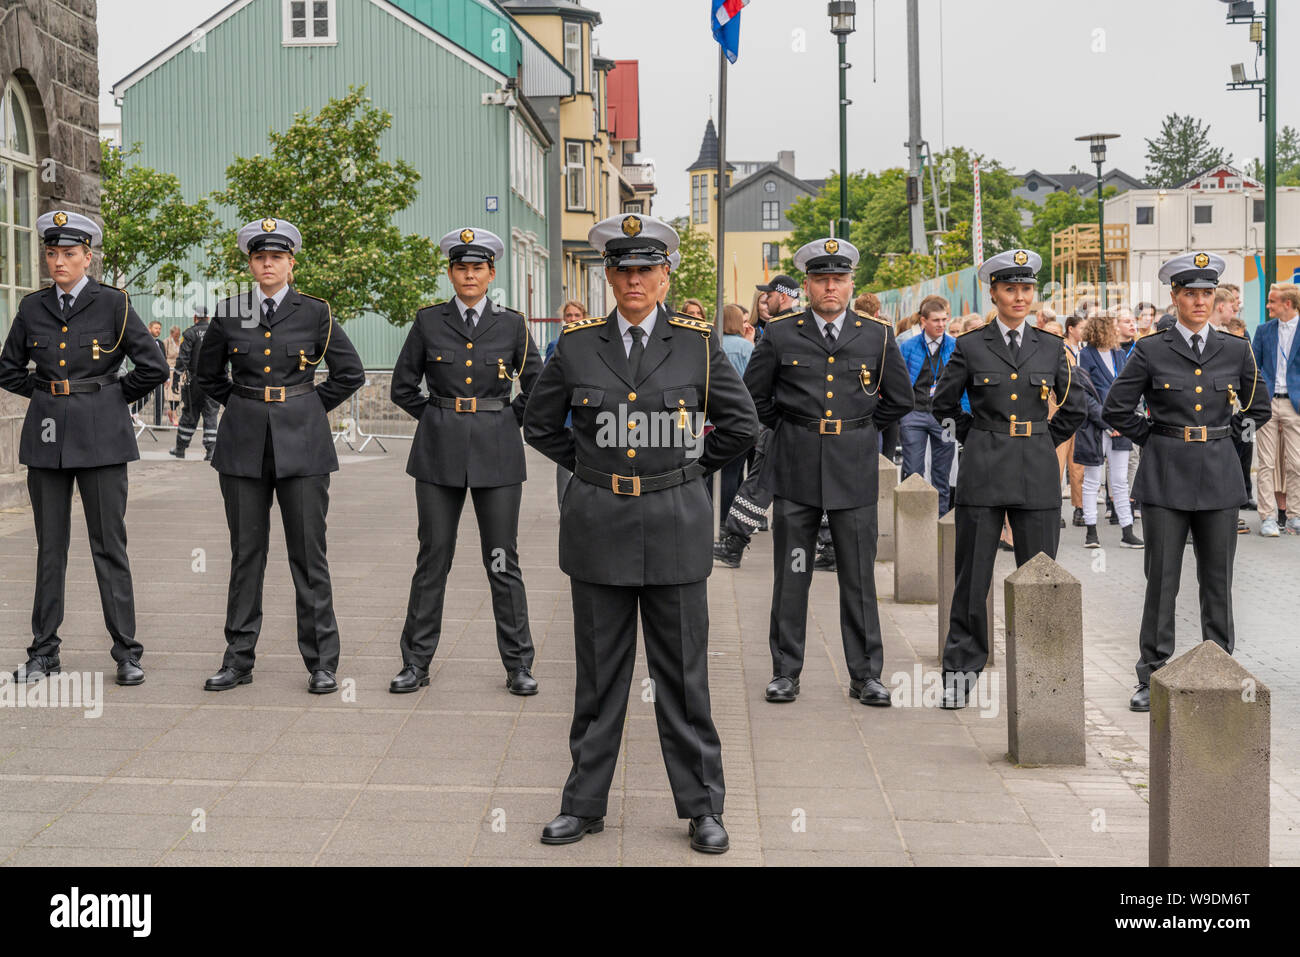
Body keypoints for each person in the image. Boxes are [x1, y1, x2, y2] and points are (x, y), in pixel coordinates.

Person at [524, 212, 758, 852]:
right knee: (598, 677)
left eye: (646, 269)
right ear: (609, 276)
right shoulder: (575, 347)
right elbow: (541, 426)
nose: (634, 280)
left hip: (674, 526)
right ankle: (584, 803)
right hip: (598, 525)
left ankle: (702, 806)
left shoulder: (696, 344)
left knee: (683, 676)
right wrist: (595, 472)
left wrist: (684, 474)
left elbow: (740, 427)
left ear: (664, 275)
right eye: (623, 269)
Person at [195, 217, 364, 694]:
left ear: (291, 263)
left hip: (303, 446)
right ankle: (238, 658)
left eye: (276, 257)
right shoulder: (230, 313)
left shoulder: (316, 313)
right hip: (243, 445)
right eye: (259, 257)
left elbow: (349, 374)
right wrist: (249, 406)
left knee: (309, 556)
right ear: (251, 263)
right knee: (246, 554)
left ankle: (322, 662)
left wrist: (304, 408)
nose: (267, 264)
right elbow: (207, 377)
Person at [0, 210, 168, 685]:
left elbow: (154, 367)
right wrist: (49, 393)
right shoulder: (32, 307)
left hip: (102, 438)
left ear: (87, 257)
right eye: (52, 253)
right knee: (49, 548)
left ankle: (126, 653)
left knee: (109, 547)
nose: (59, 262)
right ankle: (43, 652)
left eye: (69, 254)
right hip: (47, 439)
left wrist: (109, 400)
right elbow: (8, 368)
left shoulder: (113, 304)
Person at [743, 236, 912, 706]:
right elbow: (751, 398)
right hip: (797, 467)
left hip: (853, 469)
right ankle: (785, 672)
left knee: (857, 577)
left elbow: (900, 399)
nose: (830, 288)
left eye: (838, 279)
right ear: (807, 285)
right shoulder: (780, 333)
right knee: (792, 574)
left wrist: (858, 430)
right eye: (821, 280)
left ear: (851, 283)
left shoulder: (877, 335)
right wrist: (794, 428)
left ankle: (866, 675)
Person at [1104, 252, 1269, 712]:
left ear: (1215, 298)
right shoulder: (1151, 348)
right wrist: (1155, 439)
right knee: (1162, 580)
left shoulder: (1236, 348)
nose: (1200, 301)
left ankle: (1220, 668)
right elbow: (1116, 409)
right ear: (1174, 297)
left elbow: (1259, 408)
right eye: (1190, 293)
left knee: (1218, 580)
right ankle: (1152, 674)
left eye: (1206, 293)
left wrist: (1228, 439)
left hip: (1218, 476)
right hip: (1166, 476)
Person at [388, 226, 542, 697]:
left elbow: (537, 385)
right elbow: (402, 387)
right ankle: (415, 663)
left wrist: (506, 419)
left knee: (502, 560)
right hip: (439, 455)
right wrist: (437, 418)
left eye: (477, 267)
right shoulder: (428, 321)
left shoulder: (513, 324)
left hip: (497, 453)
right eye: (461, 267)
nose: (469, 274)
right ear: (451, 273)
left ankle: (518, 664)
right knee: (433, 558)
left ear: (492, 273)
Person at [931, 249, 1086, 709]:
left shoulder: (1052, 345)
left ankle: (1042, 673)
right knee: (972, 576)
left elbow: (1075, 404)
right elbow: (943, 403)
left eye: (1026, 289)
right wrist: (976, 435)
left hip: (1036, 469)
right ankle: (960, 671)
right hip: (984, 465)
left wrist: (1042, 439)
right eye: (1010, 289)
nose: (1019, 297)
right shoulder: (971, 345)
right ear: (994, 293)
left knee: (1041, 576)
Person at [1077, 315, 1143, 549]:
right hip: (1095, 428)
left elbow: (1127, 389)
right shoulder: (1085, 355)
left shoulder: (1119, 355)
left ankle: (1127, 531)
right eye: (1113, 326)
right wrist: (1107, 422)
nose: (1117, 330)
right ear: (1101, 330)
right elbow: (1083, 394)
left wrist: (1122, 420)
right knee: (1093, 480)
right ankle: (1091, 532)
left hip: (1120, 426)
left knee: (1120, 481)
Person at [898, 294, 965, 515]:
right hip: (914, 414)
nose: (941, 324)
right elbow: (898, 381)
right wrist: (901, 411)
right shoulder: (907, 347)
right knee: (913, 470)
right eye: (936, 320)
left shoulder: (956, 346)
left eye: (944, 319)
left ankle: (940, 520)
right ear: (923, 321)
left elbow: (964, 385)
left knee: (942, 473)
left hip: (945, 419)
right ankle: (912, 519)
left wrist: (964, 414)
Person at [1252, 282, 1300, 537]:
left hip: (1296, 405)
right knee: (1266, 464)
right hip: (1268, 403)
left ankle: (1294, 516)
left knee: (1297, 463)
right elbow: (1255, 367)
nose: (1268, 305)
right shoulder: (1264, 331)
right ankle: (1268, 516)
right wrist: (1260, 398)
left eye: (1272, 301)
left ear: (1287, 304)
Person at [717, 303, 754, 528]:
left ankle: (715, 517)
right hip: (740, 417)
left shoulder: (712, 345)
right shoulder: (745, 347)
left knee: (715, 474)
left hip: (712, 418)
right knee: (735, 472)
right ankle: (728, 519)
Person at [169, 306, 220, 460]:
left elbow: (182, 359)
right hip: (214, 381)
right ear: (208, 318)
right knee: (211, 415)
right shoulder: (218, 333)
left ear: (195, 317)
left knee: (190, 414)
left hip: (195, 382)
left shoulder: (189, 333)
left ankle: (180, 449)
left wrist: (176, 379)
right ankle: (211, 451)